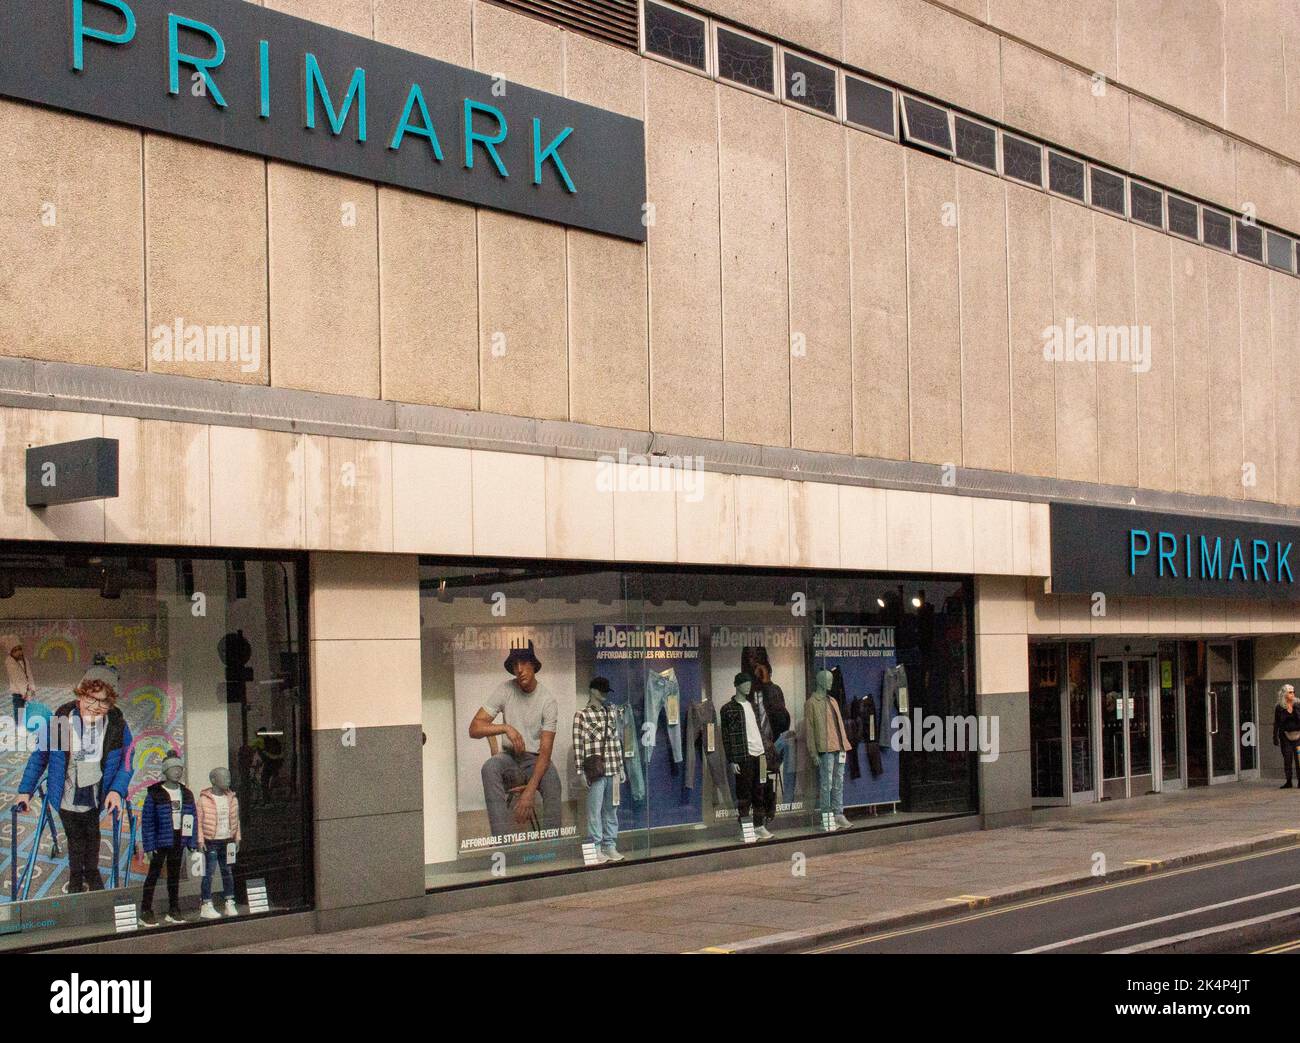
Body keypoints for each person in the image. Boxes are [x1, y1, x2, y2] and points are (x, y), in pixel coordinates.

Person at [16, 660, 132, 893]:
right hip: (66, 795)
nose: (96, 706)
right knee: (75, 838)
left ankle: (91, 870)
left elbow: (127, 763)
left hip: (96, 796)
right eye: (90, 697)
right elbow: (41, 756)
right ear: (81, 694)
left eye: (103, 701)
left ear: (111, 703)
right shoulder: (62, 720)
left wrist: (116, 790)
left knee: (93, 835)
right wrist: (25, 790)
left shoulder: (117, 725)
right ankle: (76, 873)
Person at [470, 640, 562, 839]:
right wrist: (505, 727)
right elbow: (474, 728)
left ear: (533, 665)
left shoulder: (548, 701)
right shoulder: (505, 690)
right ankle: (503, 844)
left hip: (537, 760)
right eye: (514, 665)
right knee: (490, 768)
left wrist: (529, 792)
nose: (519, 670)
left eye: (524, 663)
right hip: (510, 758)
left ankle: (553, 848)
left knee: (554, 783)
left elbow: (545, 754)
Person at [1274, 684, 1300, 789]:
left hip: (1298, 736)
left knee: (1299, 759)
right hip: (1285, 737)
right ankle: (1288, 781)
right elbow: (1276, 723)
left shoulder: (1297, 704)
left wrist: (1295, 708)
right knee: (1287, 759)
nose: (1292, 694)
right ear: (1285, 694)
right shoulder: (1279, 707)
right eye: (1290, 692)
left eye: (1293, 692)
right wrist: (1274, 736)